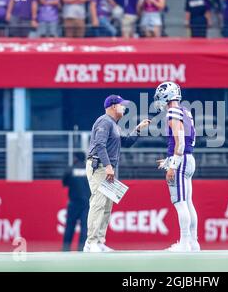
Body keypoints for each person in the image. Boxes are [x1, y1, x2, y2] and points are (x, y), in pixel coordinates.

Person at [84, 95, 150, 252]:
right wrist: (107, 166)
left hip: (107, 168)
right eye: (122, 105)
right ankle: (91, 242)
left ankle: (99, 241)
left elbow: (125, 142)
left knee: (107, 206)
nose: (124, 108)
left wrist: (138, 129)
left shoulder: (113, 124)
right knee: (98, 203)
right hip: (99, 166)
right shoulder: (104, 121)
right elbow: (100, 145)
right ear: (113, 106)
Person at [153, 82, 199, 252]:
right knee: (188, 202)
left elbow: (179, 141)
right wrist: (168, 160)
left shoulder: (173, 111)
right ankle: (193, 242)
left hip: (181, 159)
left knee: (180, 203)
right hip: (188, 158)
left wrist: (172, 164)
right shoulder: (185, 111)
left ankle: (185, 243)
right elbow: (183, 142)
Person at [62, 152, 91, 252]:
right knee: (84, 227)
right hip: (86, 203)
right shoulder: (89, 170)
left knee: (70, 226)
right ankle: (81, 248)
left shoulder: (70, 169)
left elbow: (64, 182)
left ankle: (65, 249)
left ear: (75, 158)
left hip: (74, 202)